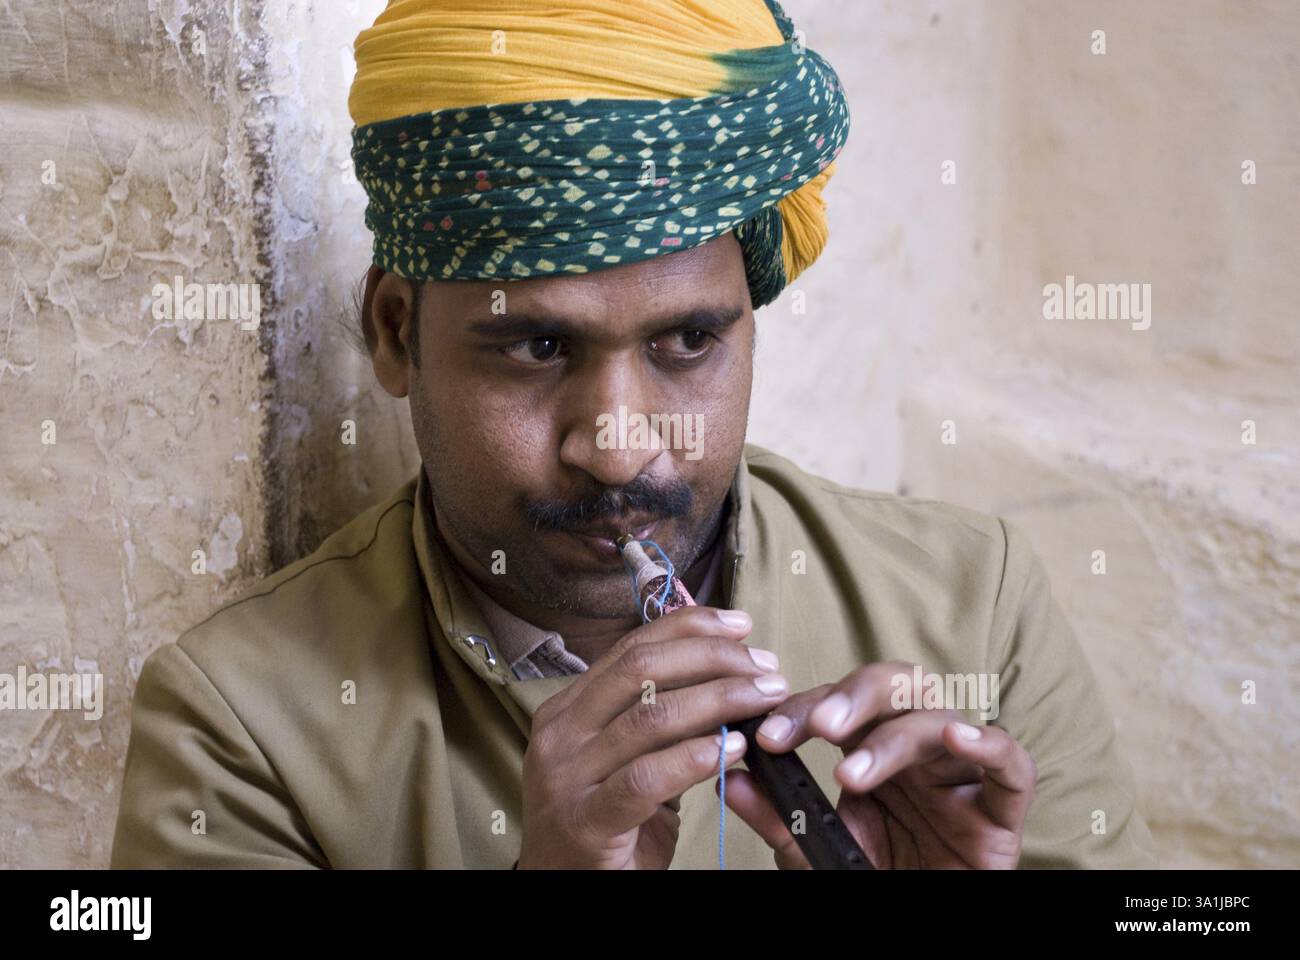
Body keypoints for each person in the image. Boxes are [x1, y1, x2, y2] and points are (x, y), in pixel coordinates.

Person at [111, 0, 1157, 869]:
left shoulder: (972, 609)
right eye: (533, 349)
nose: (616, 448)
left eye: (688, 340)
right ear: (396, 332)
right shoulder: (238, 724)